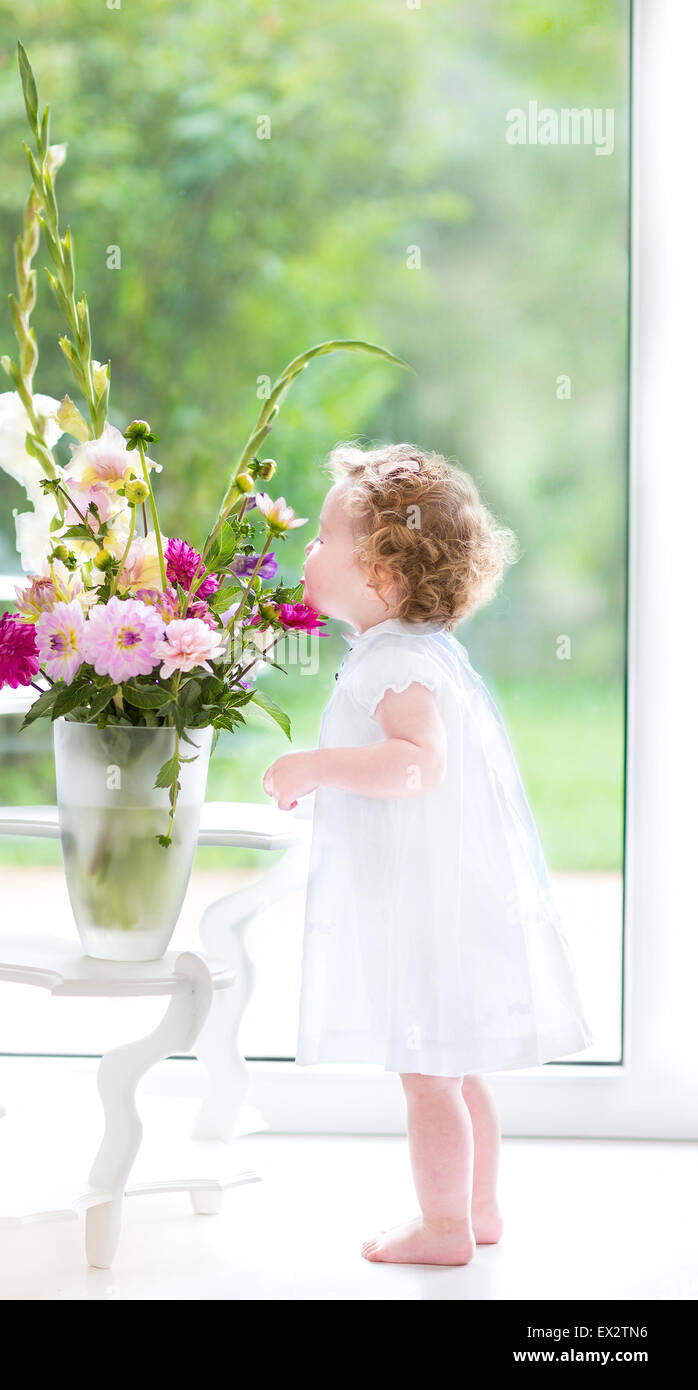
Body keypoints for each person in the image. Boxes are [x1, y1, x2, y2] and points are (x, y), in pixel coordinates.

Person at [262, 441, 594, 1266]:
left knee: (426, 1074)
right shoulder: (413, 653)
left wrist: (318, 768)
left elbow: (418, 764)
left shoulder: (400, 663)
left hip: (428, 913)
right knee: (454, 1061)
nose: (307, 550)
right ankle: (477, 1211)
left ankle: (444, 1226)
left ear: (380, 572)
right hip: (445, 904)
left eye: (326, 537)